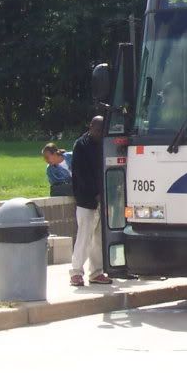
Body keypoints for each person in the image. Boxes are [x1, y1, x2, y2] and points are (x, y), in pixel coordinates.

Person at [70, 116, 111, 286]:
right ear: (91, 127)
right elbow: (81, 174)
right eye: (98, 130)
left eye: (102, 131)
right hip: (86, 199)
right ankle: (76, 272)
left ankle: (96, 272)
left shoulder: (104, 144)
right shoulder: (81, 145)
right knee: (84, 237)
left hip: (102, 198)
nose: (100, 134)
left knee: (100, 239)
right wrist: (95, 193)